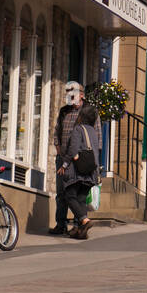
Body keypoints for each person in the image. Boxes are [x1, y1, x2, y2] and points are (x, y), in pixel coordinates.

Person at [49, 82, 97, 236]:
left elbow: (97, 138)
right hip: (63, 158)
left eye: (72, 91)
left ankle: (79, 224)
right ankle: (60, 224)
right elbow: (57, 132)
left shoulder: (88, 112)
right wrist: (58, 149)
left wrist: (94, 162)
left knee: (77, 194)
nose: (69, 94)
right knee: (61, 193)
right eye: (67, 91)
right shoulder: (64, 112)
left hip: (80, 160)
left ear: (81, 94)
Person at [58, 104, 101, 239]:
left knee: (69, 196)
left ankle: (84, 220)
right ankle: (81, 232)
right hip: (90, 172)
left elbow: (73, 150)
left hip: (77, 172)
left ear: (81, 116)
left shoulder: (78, 129)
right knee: (81, 200)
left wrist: (64, 165)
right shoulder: (93, 132)